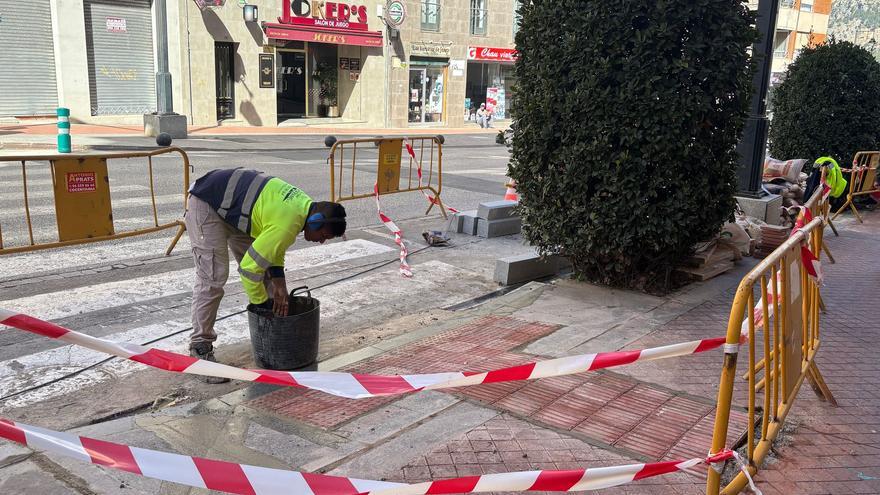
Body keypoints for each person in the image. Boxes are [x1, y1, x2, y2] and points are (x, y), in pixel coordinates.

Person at [185, 168, 346, 382]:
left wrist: (280, 284)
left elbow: (274, 247)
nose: (322, 241)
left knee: (268, 279)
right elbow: (249, 269)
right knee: (213, 277)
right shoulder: (289, 224)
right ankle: (200, 346)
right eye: (324, 235)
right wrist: (261, 306)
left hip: (236, 213)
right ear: (315, 222)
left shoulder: (304, 207)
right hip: (208, 204)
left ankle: (275, 338)